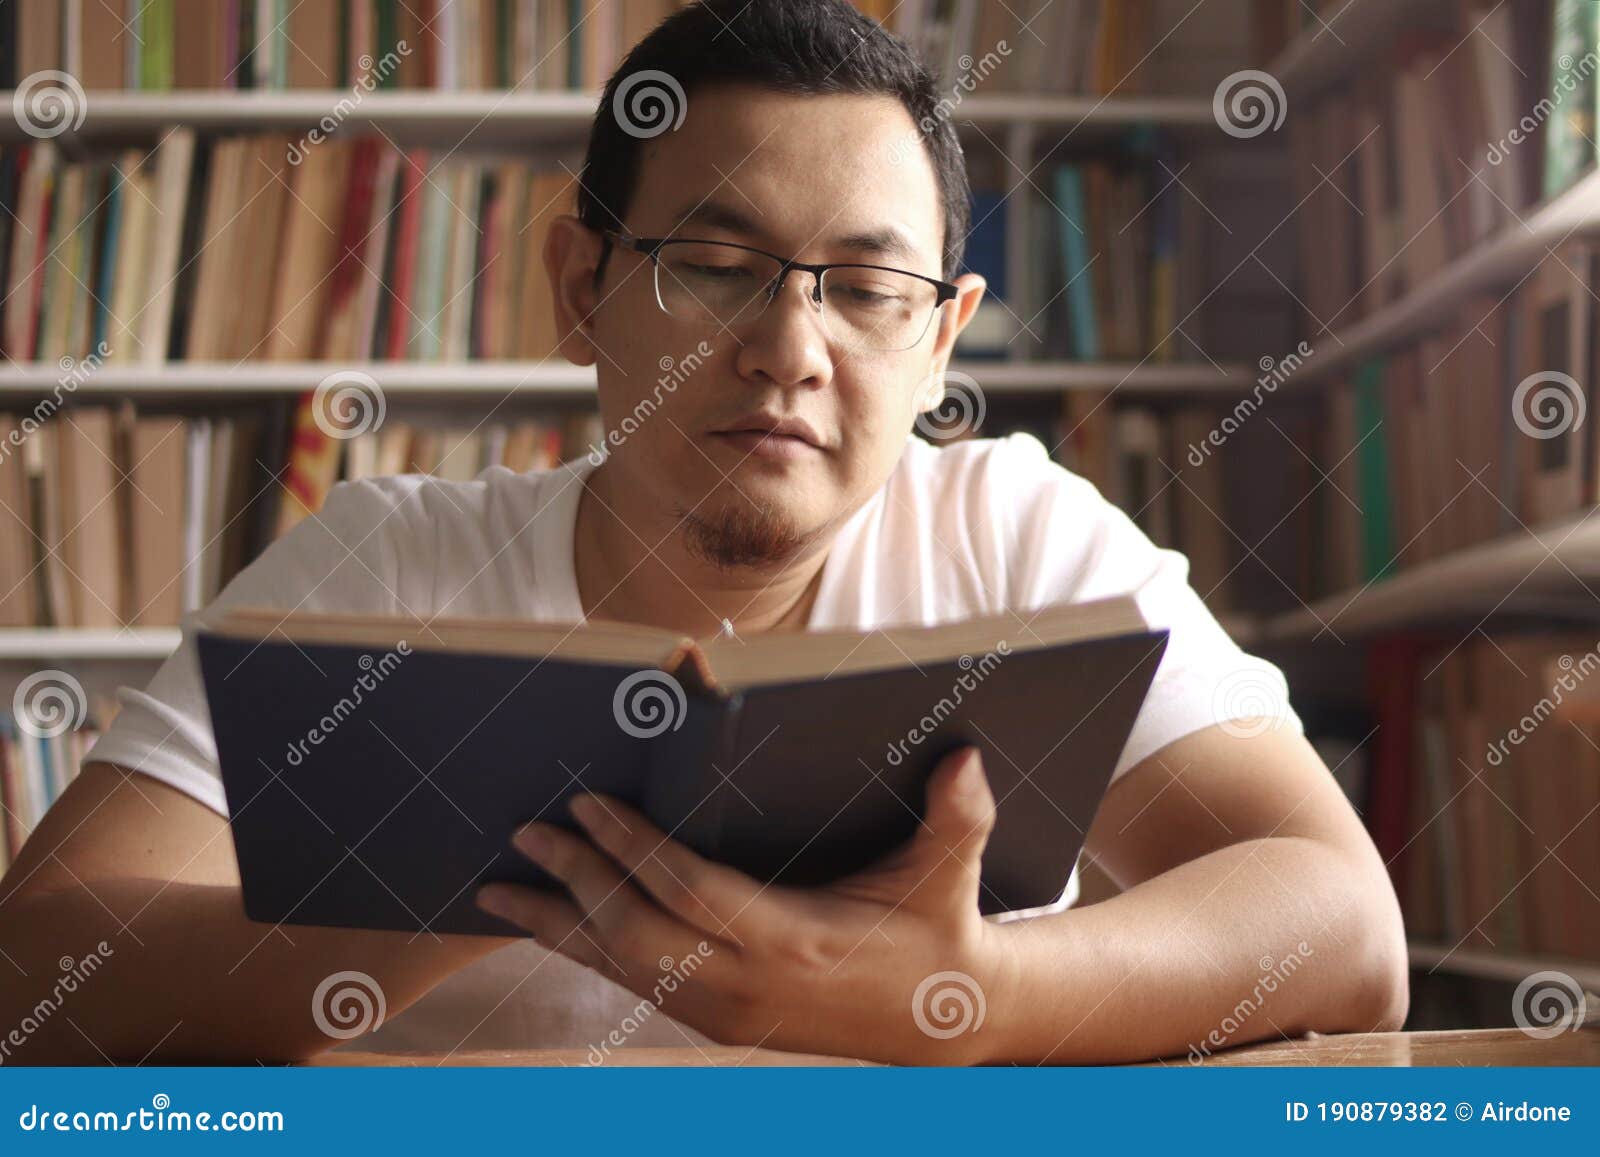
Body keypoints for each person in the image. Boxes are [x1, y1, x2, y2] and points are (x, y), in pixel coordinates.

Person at [0, 0, 1406, 1065]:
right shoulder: (390, 564)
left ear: (941, 342)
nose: (789, 349)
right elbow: (34, 970)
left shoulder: (1018, 536)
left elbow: (1346, 929)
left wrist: (959, 994)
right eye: (719, 268)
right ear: (582, 288)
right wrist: (466, 869)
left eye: (869, 291)